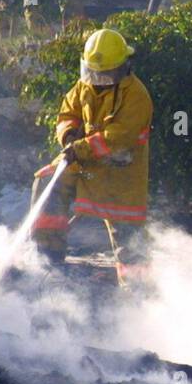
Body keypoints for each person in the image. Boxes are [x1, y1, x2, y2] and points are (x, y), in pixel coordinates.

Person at [29, 28, 153, 281]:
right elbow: (67, 114)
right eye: (94, 72)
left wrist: (79, 148)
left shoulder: (137, 96)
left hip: (120, 175)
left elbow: (116, 138)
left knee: (129, 243)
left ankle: (138, 295)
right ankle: (46, 259)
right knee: (48, 181)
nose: (99, 78)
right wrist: (68, 134)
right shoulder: (84, 86)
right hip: (84, 165)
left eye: (106, 73)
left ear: (124, 66)